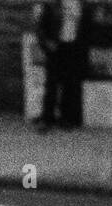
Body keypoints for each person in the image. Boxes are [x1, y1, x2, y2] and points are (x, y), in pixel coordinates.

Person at [36, 0, 86, 131]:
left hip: (73, 47)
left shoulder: (81, 5)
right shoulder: (53, 4)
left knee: (69, 84)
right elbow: (40, 27)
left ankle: (65, 118)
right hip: (56, 46)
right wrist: (46, 43)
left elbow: (84, 28)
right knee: (51, 83)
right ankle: (47, 118)